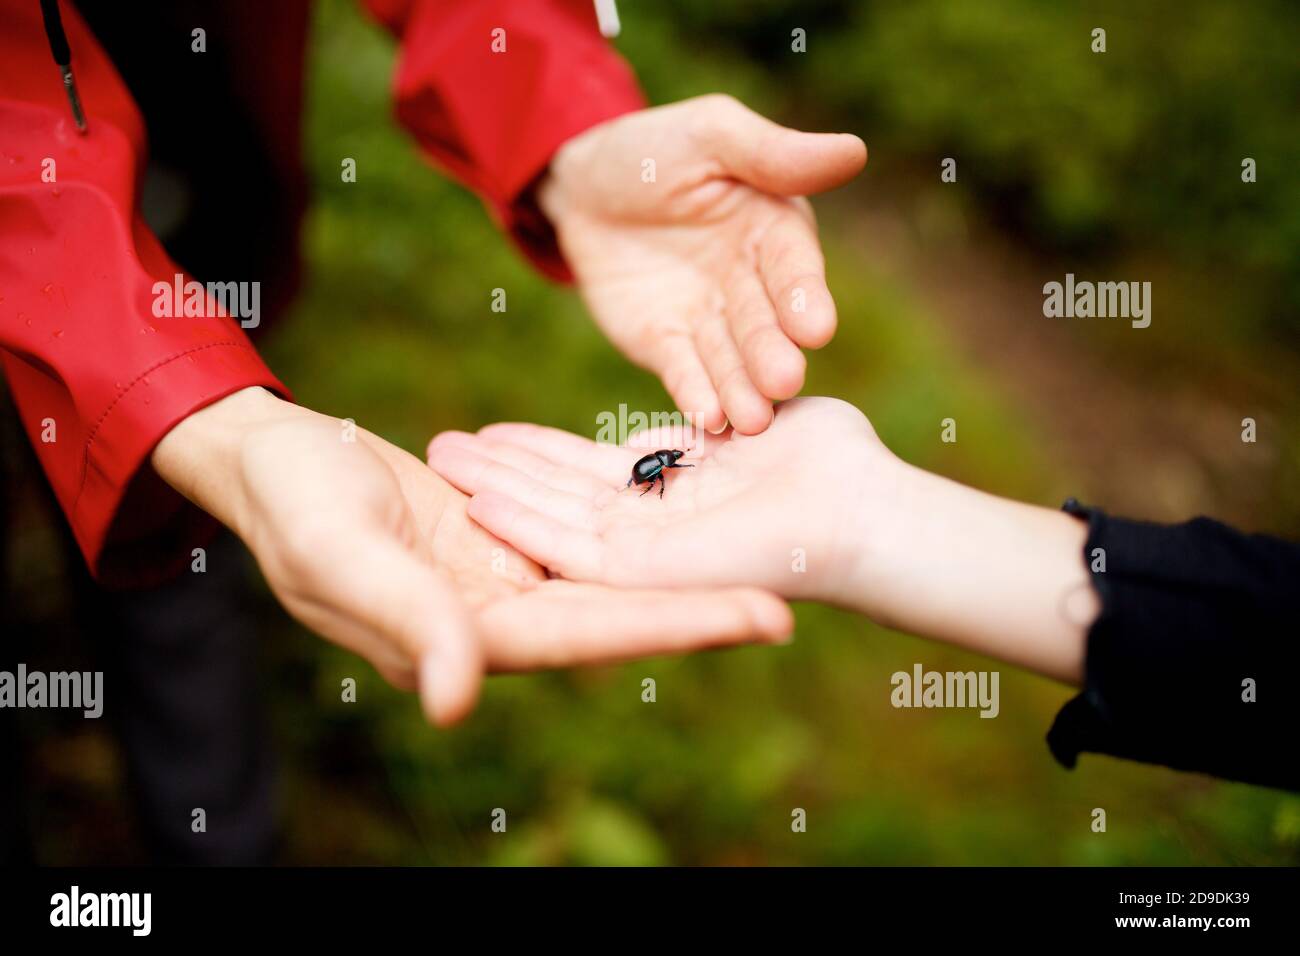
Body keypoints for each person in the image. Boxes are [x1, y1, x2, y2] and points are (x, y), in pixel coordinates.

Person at [1, 0, 863, 860]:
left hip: (201, 193)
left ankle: (216, 831)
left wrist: (563, 122)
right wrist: (180, 399)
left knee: (177, 567)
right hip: (65, 222)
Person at [428, 397, 1300, 791]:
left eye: (658, 468)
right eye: (657, 470)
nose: (658, 469)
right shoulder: (651, 468)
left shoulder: (661, 466)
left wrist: (870, 523)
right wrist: (878, 526)